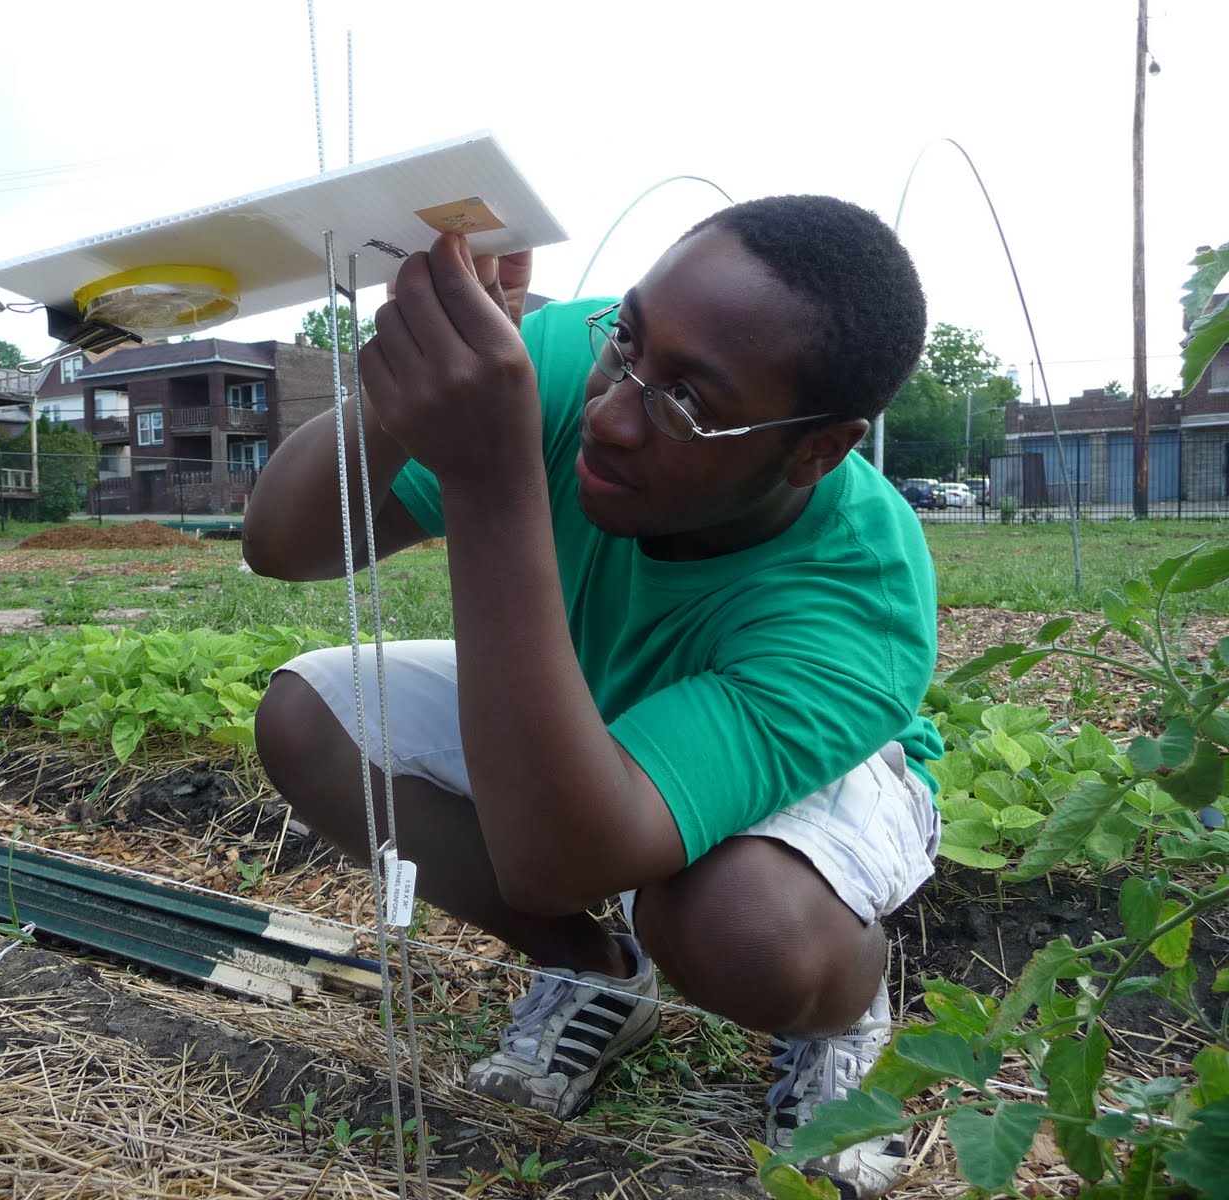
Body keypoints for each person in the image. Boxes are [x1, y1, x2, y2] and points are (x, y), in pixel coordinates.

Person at [243, 195, 942, 1200]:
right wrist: (400, 401)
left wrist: (492, 481)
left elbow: (558, 856)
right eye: (628, 342)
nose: (614, 413)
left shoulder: (856, 600)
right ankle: (598, 976)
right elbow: (284, 545)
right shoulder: (575, 363)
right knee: (312, 719)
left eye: (689, 404)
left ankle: (841, 1014)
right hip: (595, 705)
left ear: (816, 450)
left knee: (732, 921)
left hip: (808, 781)